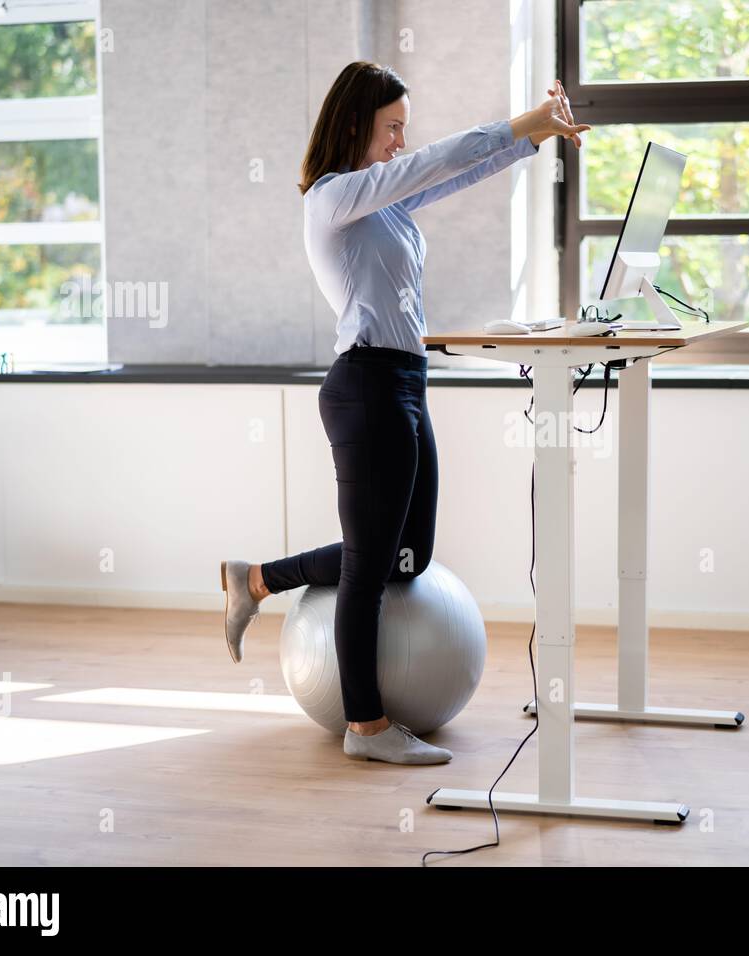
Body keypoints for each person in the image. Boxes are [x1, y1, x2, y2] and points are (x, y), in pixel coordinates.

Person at [220, 61, 590, 765]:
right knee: (369, 568)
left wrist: (530, 141)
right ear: (356, 123)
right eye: (391, 128)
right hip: (366, 387)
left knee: (405, 557)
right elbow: (432, 162)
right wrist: (522, 121)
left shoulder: (380, 204)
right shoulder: (333, 198)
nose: (399, 142)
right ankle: (366, 727)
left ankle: (256, 579)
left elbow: (446, 176)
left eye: (403, 130)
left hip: (406, 384)